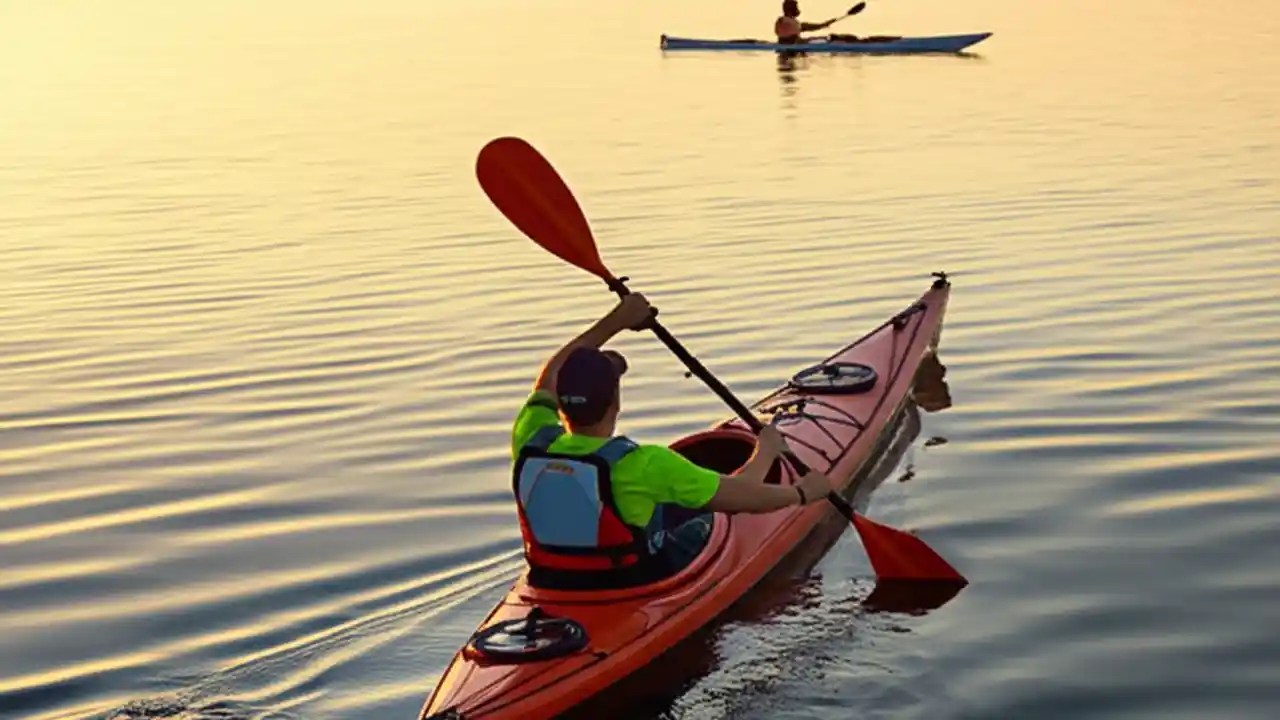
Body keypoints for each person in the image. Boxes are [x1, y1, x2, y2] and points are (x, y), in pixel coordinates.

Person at [511, 294, 830, 588]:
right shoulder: (644, 464)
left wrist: (616, 320)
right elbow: (741, 494)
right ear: (615, 402)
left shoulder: (532, 441)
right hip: (629, 581)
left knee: (662, 504)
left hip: (552, 579)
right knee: (710, 516)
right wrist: (794, 485)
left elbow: (550, 376)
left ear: (562, 404)